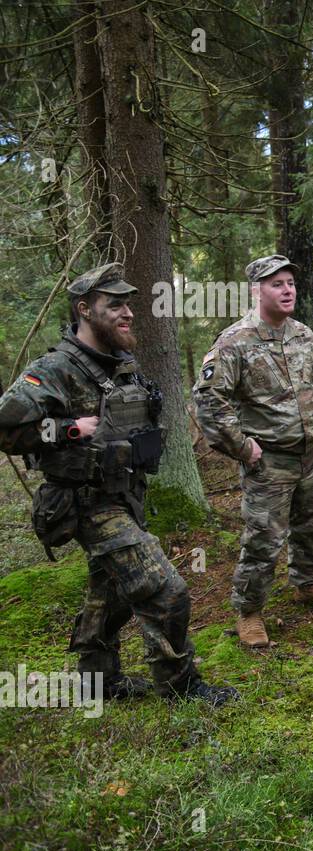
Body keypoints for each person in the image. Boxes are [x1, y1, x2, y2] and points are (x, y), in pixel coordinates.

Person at [0, 264, 236, 704]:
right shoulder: (55, 368)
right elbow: (5, 427)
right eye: (115, 305)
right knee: (165, 590)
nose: (127, 312)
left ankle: (98, 682)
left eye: (129, 303)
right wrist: (69, 429)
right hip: (87, 502)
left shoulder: (118, 364)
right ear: (85, 309)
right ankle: (180, 689)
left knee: (112, 595)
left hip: (126, 496)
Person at [194, 255, 313, 649]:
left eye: (291, 283)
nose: (287, 290)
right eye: (276, 283)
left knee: (312, 526)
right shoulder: (235, 342)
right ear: (255, 290)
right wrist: (243, 449)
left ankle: (308, 584)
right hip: (270, 461)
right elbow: (210, 402)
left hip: (312, 455)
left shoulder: (304, 335)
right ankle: (249, 613)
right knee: (263, 540)